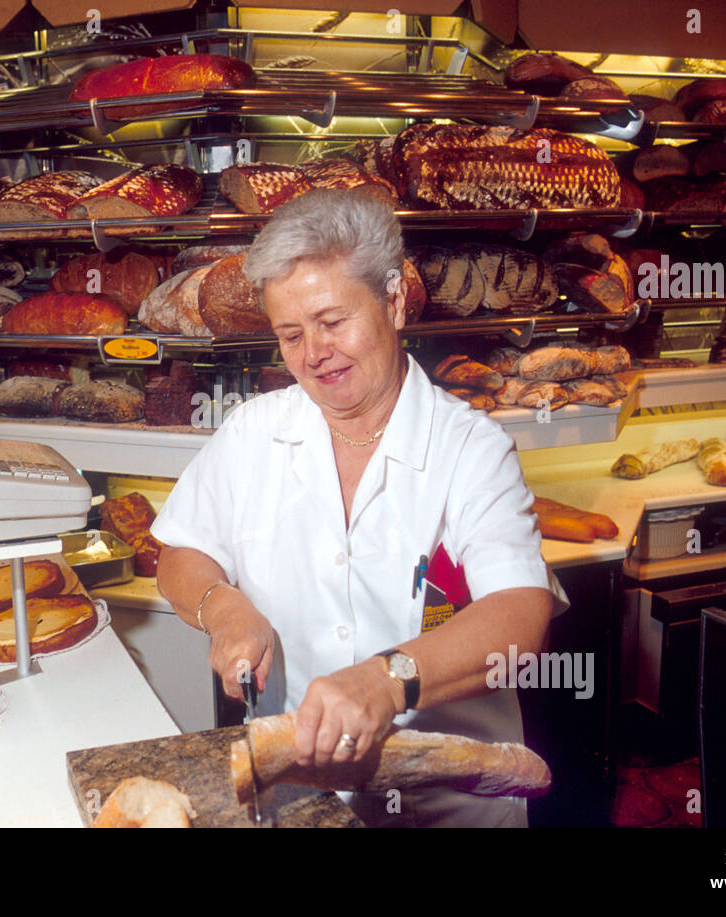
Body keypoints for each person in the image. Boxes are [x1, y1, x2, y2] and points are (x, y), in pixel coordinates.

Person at [151, 189, 566, 827]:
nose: (313, 353)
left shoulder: (470, 448)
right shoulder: (253, 431)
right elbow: (181, 554)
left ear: (394, 301)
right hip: (298, 797)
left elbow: (520, 619)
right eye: (291, 334)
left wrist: (385, 679)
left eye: (333, 321)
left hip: (446, 807)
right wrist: (223, 607)